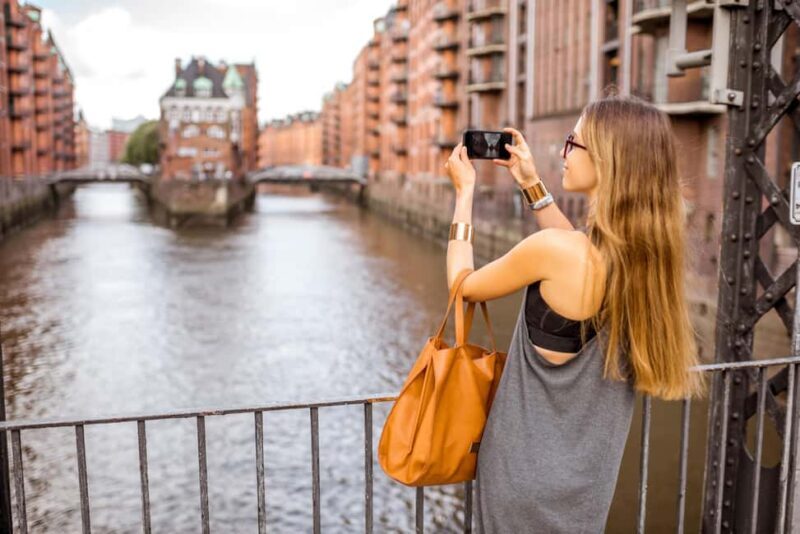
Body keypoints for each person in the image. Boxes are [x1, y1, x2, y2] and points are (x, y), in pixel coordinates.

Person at [443, 94, 704, 533]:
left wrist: (463, 195)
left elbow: (461, 288)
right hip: (587, 485)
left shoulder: (557, 252)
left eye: (573, 143)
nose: (563, 154)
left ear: (607, 158)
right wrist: (531, 183)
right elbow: (578, 255)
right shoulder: (645, 263)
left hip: (520, 478)